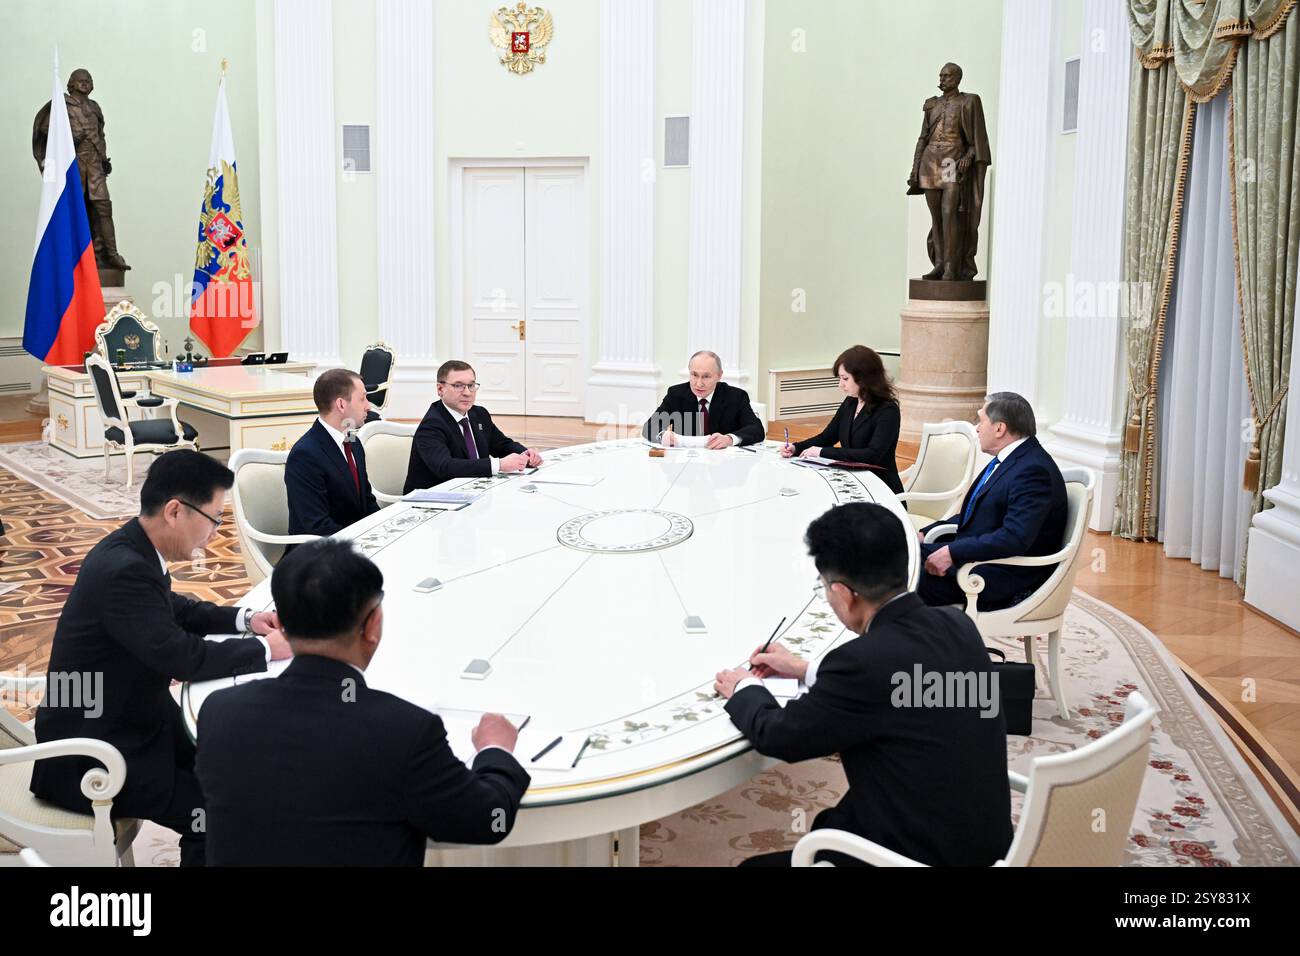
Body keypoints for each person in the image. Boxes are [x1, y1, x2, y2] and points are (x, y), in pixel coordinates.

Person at [194, 538, 530, 865]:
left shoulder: (219, 712)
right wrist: (495, 750)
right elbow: (487, 819)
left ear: (279, 624)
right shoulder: (406, 732)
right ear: (373, 625)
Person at [713, 502, 1012, 867]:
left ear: (843, 593)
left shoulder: (861, 663)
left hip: (911, 857)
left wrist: (745, 687)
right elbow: (898, 685)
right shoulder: (957, 625)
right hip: (987, 847)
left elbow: (780, 736)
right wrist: (805, 669)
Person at [30, 450, 290, 867]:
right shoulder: (124, 569)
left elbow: (178, 610)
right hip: (93, 751)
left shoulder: (134, 548)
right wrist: (265, 650)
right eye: (213, 519)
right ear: (175, 511)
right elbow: (180, 657)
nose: (214, 533)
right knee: (215, 813)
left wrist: (248, 619)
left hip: (130, 718)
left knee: (231, 764)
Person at [917, 391, 1068, 610]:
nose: (977, 428)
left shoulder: (1033, 471)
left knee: (895, 580)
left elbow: (1014, 538)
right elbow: (979, 515)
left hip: (999, 576)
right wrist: (925, 532)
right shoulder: (1013, 460)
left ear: (1000, 428)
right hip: (980, 560)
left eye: (981, 420)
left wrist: (952, 552)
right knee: (897, 552)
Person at [404, 360, 542, 492]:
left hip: (474, 490)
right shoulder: (431, 425)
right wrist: (498, 465)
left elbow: (502, 445)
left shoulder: (479, 413)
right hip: (433, 499)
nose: (467, 392)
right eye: (458, 386)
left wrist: (525, 454)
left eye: (471, 385)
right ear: (440, 389)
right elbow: (445, 467)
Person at [782, 345, 904, 493]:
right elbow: (826, 437)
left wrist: (822, 452)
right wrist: (796, 447)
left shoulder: (887, 410)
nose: (841, 384)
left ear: (863, 378)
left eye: (845, 378)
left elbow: (872, 455)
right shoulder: (850, 402)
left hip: (880, 488)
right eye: (840, 378)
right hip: (852, 483)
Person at [285, 368, 379, 538]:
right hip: (321, 555)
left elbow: (367, 501)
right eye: (363, 398)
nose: (368, 406)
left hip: (355, 544)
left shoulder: (353, 442)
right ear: (341, 405)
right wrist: (362, 542)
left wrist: (383, 531)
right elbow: (317, 526)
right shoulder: (305, 455)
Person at [642, 350, 764, 448]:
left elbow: (756, 429)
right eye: (694, 375)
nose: (699, 384)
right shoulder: (676, 394)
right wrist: (662, 436)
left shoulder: (736, 396)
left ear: (719, 375)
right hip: (685, 465)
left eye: (706, 376)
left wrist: (730, 439)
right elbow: (649, 426)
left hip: (723, 465)